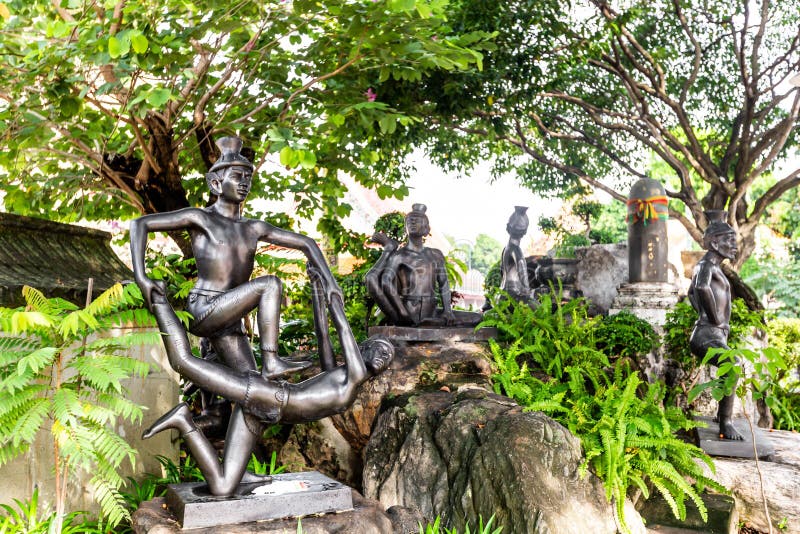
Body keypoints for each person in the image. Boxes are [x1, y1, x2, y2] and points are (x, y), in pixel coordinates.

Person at [129, 136, 348, 494]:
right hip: (204, 309)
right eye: (236, 175)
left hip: (230, 324)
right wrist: (141, 274)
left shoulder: (254, 228)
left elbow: (308, 244)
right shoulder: (200, 218)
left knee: (254, 397)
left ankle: (237, 470)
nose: (244, 182)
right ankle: (273, 361)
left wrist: (330, 281)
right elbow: (141, 225)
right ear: (216, 183)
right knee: (270, 285)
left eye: (248, 176)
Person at [143, 282, 393, 496]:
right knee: (183, 362)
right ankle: (159, 298)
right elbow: (341, 330)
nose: (384, 358)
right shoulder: (354, 373)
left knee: (222, 487)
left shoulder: (344, 376)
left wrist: (318, 294)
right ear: (364, 348)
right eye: (381, 349)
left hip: (266, 411)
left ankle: (184, 420)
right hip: (269, 397)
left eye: (388, 358)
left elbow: (323, 337)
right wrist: (332, 298)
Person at [688, 211, 743, 440]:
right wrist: (714, 318)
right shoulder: (706, 265)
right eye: (729, 240)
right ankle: (726, 422)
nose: (734, 246)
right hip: (706, 334)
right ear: (713, 242)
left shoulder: (714, 267)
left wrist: (705, 315)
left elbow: (690, 292)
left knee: (728, 365)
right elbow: (700, 289)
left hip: (712, 332)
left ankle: (722, 417)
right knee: (732, 363)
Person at [365, 204, 456, 326]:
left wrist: (448, 311)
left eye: (417, 220)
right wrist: (403, 312)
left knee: (475, 318)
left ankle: (431, 322)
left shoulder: (435, 254)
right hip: (410, 309)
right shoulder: (399, 256)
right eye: (409, 221)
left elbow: (444, 282)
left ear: (426, 229)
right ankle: (422, 323)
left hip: (432, 310)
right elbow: (386, 281)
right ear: (405, 229)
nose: (412, 222)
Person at [500, 206, 532, 302]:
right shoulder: (516, 250)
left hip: (502, 292)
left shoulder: (506, 249)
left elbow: (501, 271)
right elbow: (522, 272)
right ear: (524, 232)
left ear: (508, 228)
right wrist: (527, 290)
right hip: (514, 296)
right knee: (538, 308)